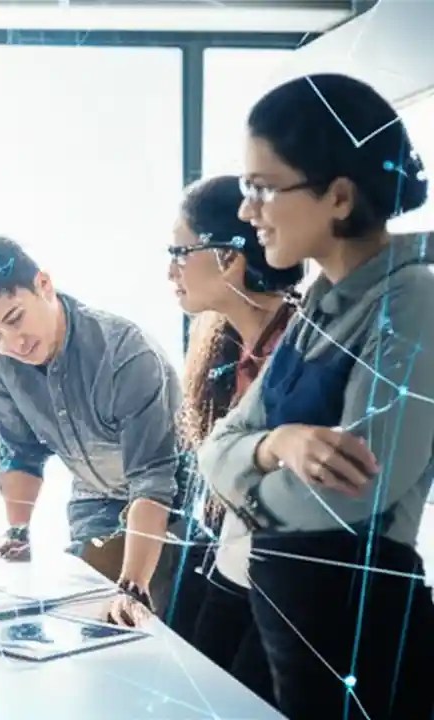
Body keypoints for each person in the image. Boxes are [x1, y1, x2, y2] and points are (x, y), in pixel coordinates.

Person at [198, 73, 434, 720]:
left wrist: (247, 474)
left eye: (263, 188)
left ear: (338, 195)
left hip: (360, 639)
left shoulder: (414, 303)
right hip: (292, 624)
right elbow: (213, 450)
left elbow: (347, 500)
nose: (247, 211)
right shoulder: (314, 311)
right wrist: (278, 444)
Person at [0, 236, 186, 627]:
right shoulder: (0, 356)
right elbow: (20, 450)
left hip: (174, 505)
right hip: (94, 499)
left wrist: (134, 587)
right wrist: (16, 534)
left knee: (152, 628)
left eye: (14, 319)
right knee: (90, 624)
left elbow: (152, 479)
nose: (13, 343)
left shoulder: (125, 353)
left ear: (44, 285)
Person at [168, 174, 304, 703]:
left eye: (182, 251)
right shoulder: (224, 345)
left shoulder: (304, 350)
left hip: (287, 589)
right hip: (231, 562)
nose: (171, 270)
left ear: (230, 257)